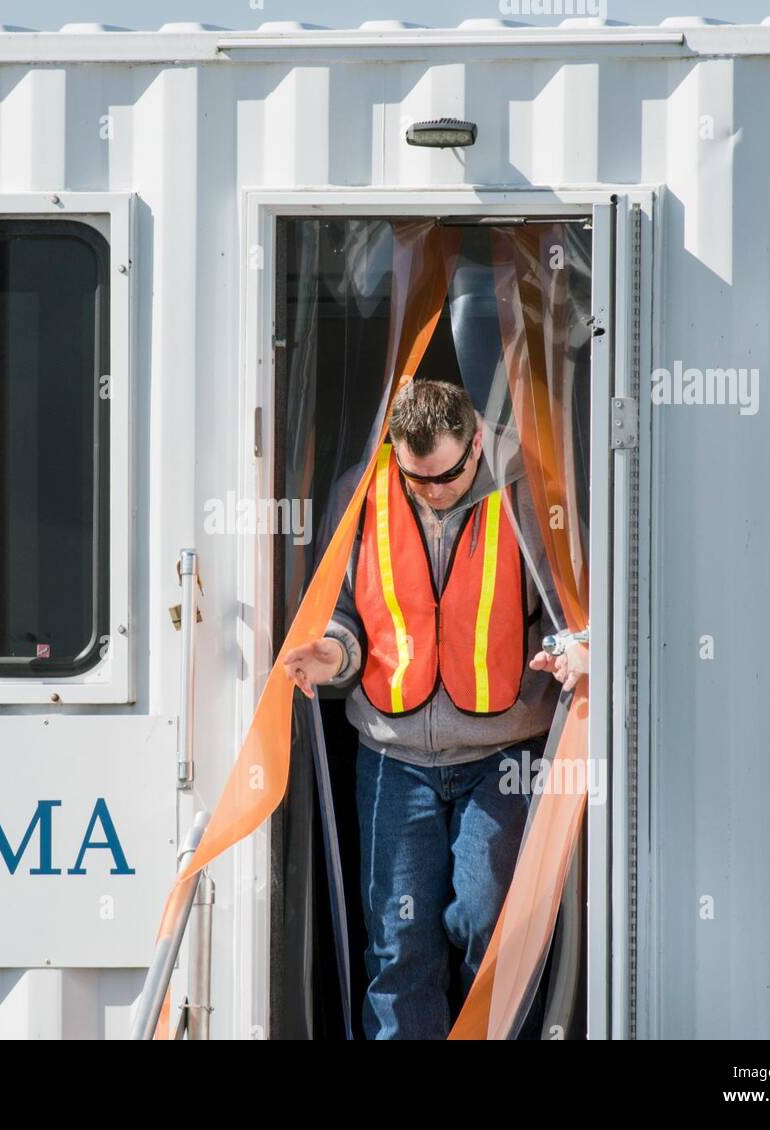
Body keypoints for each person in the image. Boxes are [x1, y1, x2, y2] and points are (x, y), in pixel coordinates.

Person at [283, 378, 587, 1039]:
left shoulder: (529, 494)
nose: (432, 492)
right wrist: (331, 657)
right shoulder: (358, 495)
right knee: (398, 943)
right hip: (394, 756)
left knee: (490, 926)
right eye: (417, 479)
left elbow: (571, 606)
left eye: (446, 476)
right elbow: (344, 618)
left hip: (504, 752)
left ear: (476, 444)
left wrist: (569, 653)